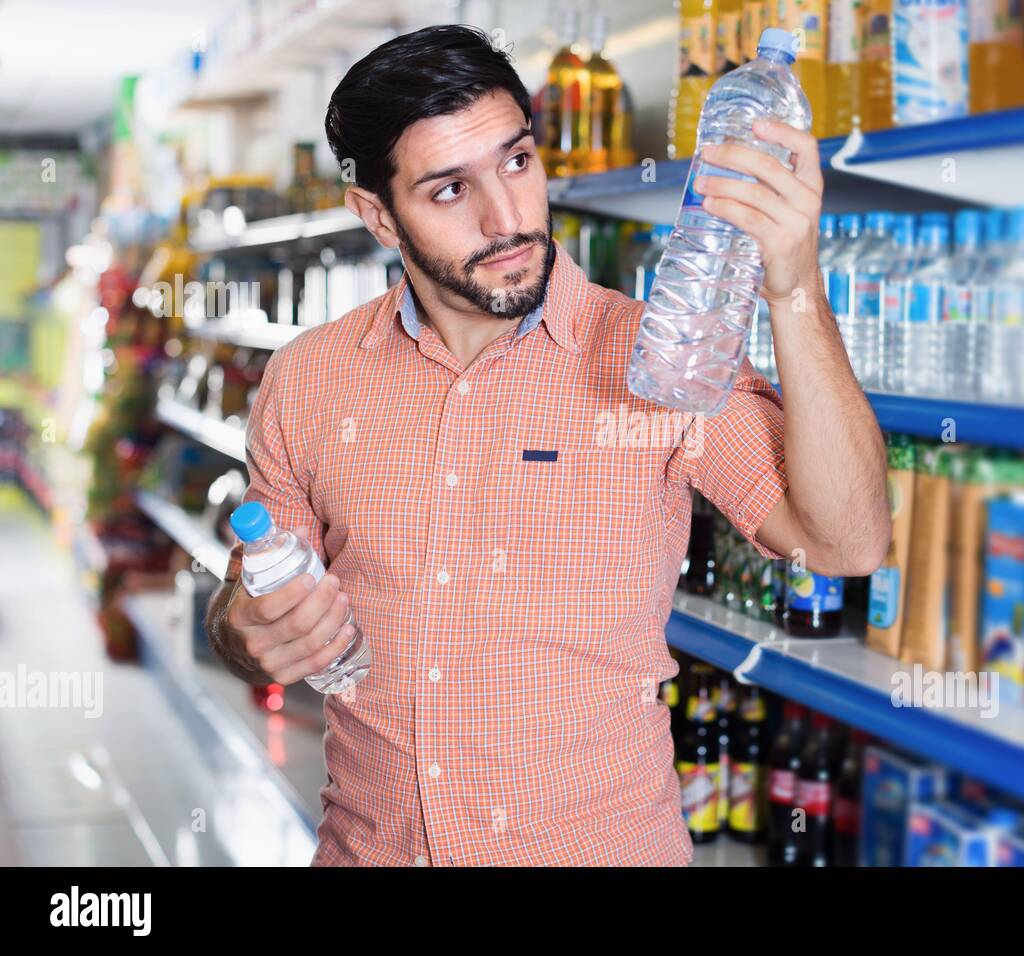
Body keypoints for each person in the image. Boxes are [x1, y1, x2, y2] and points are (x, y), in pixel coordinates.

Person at [204, 24, 890, 866]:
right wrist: (249, 631)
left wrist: (794, 287)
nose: (508, 218)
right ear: (378, 215)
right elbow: (253, 595)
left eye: (517, 162)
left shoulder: (662, 356)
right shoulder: (307, 379)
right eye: (450, 190)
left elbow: (846, 542)